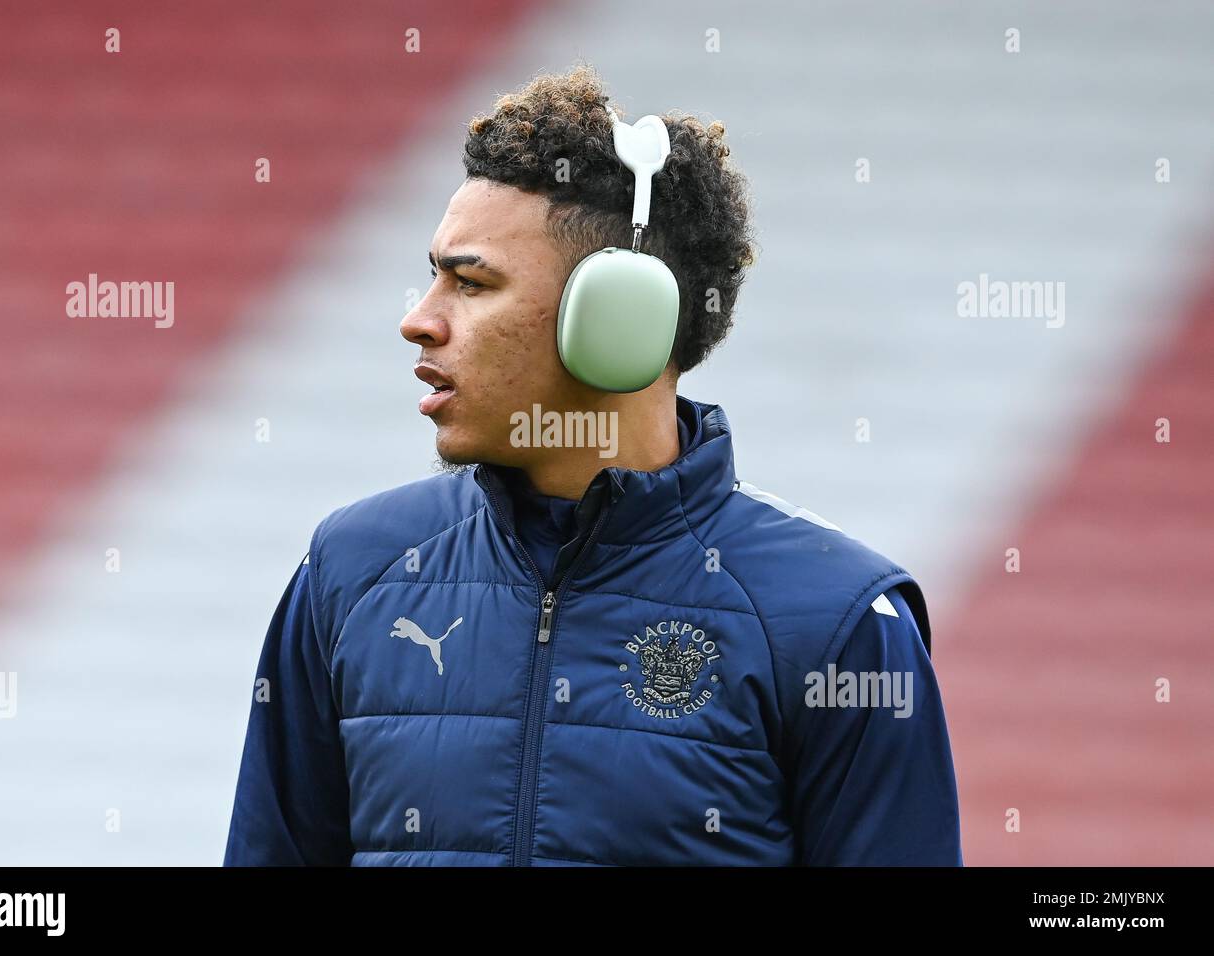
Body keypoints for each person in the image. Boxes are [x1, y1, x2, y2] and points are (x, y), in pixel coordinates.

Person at [223, 64, 962, 866]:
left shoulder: (838, 622)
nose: (418, 321)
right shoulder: (349, 569)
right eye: (431, 276)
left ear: (619, 320)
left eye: (470, 283)